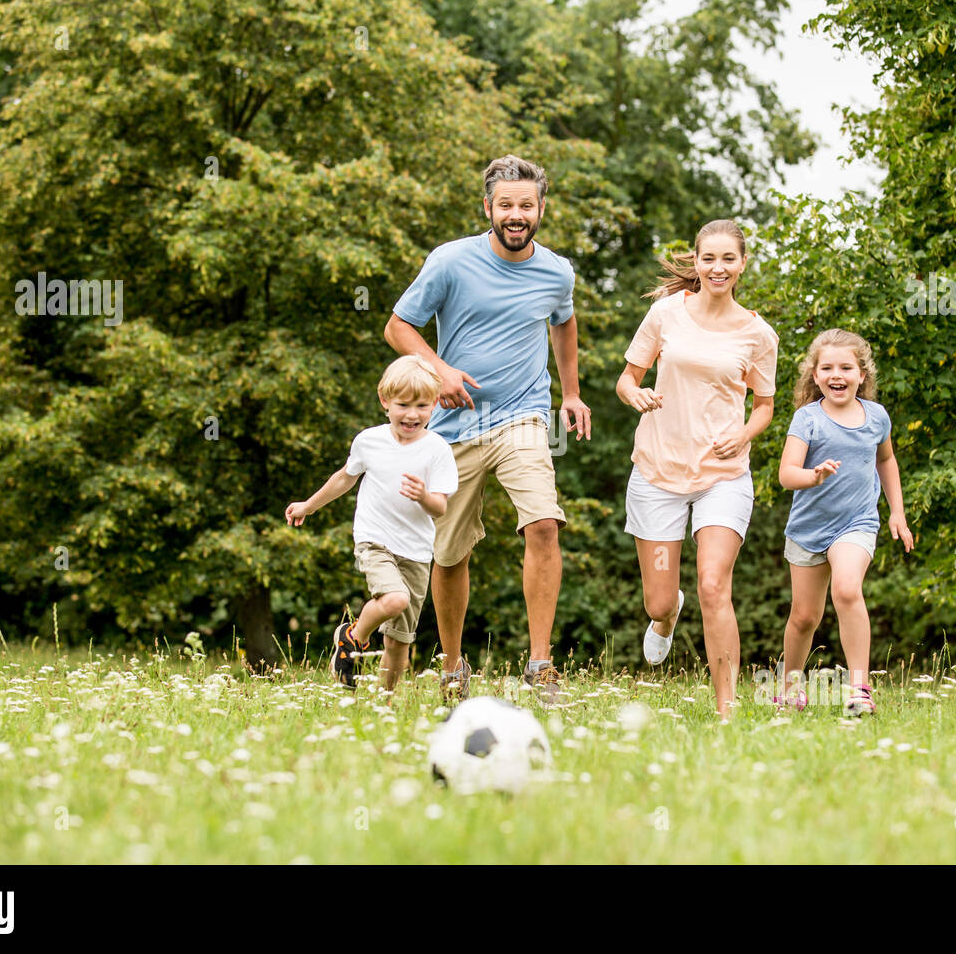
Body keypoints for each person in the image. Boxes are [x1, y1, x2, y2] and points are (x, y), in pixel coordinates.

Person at [383, 154, 591, 704]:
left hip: (524, 414)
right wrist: (440, 371)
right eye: (506, 206)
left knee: (544, 522)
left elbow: (563, 321)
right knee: (449, 555)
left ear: (541, 209)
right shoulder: (450, 262)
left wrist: (569, 392)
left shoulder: (556, 271)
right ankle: (452, 665)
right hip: (454, 426)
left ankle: (541, 663)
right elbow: (397, 325)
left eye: (526, 205)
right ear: (488, 209)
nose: (516, 215)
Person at [615, 219, 777, 719]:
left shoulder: (758, 334)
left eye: (728, 259)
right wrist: (635, 394)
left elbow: (765, 406)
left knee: (713, 584)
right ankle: (666, 619)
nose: (718, 267)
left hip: (722, 477)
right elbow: (626, 379)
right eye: (709, 258)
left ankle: (727, 710)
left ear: (743, 264)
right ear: (697, 262)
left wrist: (745, 433)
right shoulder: (666, 314)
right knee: (659, 602)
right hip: (658, 471)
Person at [284, 356, 458, 694]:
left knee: (399, 642)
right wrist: (309, 505)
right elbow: (344, 479)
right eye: (403, 404)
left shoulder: (437, 450)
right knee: (394, 599)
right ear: (385, 402)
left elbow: (439, 506)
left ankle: (384, 704)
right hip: (375, 540)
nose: (412, 414)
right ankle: (353, 637)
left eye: (422, 405)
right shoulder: (369, 441)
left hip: (418, 552)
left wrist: (423, 495)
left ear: (435, 404)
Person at [776, 328, 914, 716]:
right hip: (807, 529)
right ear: (815, 376)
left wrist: (897, 512)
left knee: (848, 590)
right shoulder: (807, 419)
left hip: (856, 523)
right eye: (828, 368)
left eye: (846, 367)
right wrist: (814, 475)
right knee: (805, 617)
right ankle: (790, 687)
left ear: (861, 374)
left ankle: (859, 690)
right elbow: (787, 474)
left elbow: (886, 461)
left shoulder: (876, 417)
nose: (837, 374)